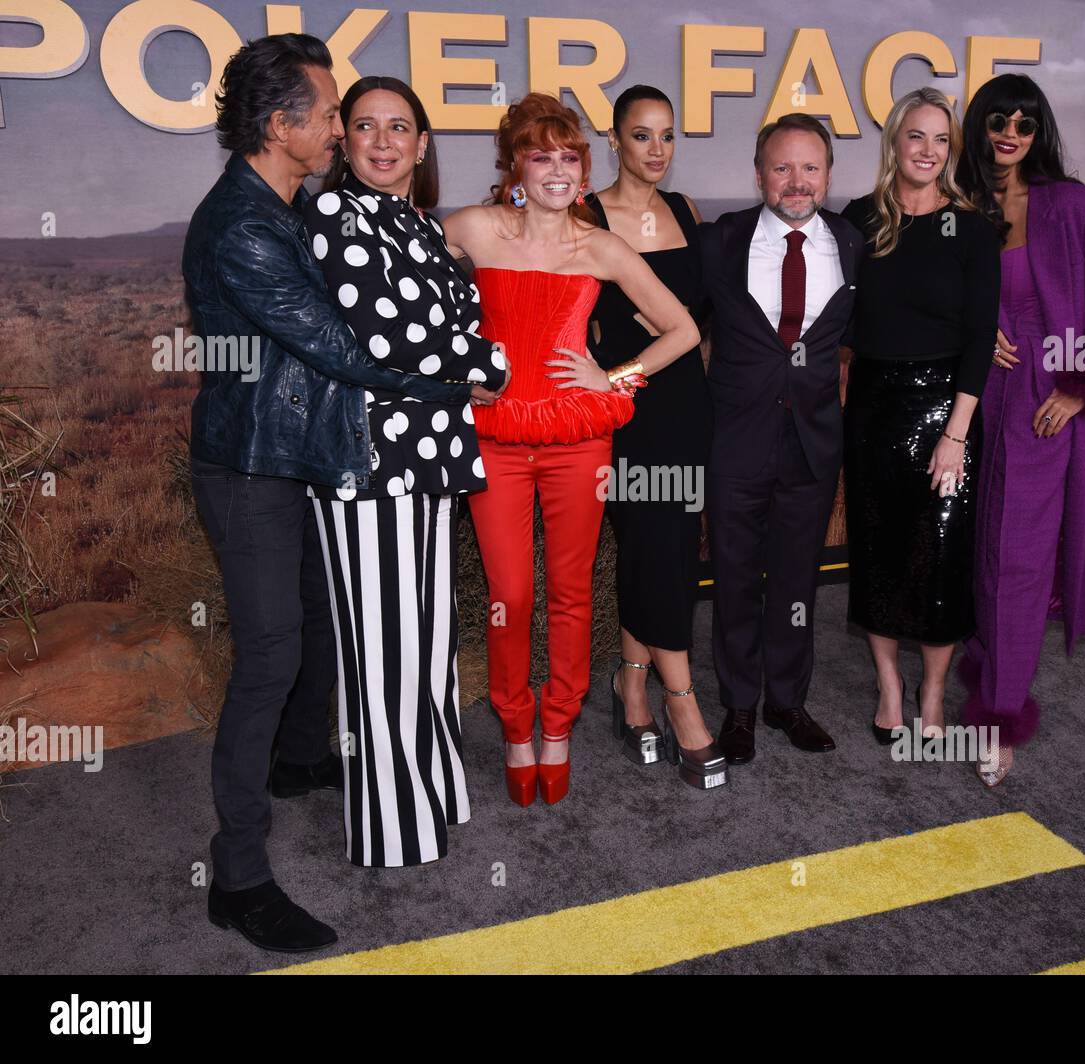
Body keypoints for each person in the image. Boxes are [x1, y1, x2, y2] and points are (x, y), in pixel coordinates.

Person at [185, 36, 483, 950]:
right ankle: (237, 874)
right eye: (328, 117)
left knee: (321, 627)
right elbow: (346, 350)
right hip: (254, 470)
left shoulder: (288, 205)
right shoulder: (245, 225)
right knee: (272, 655)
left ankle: (302, 762)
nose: (340, 131)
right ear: (282, 127)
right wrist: (474, 376)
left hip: (304, 458)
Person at [442, 93, 700, 806]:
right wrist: (454, 367)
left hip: (577, 438)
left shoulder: (600, 246)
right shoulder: (473, 228)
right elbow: (405, 295)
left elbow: (679, 331)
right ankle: (515, 725)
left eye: (570, 156)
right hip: (495, 435)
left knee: (570, 590)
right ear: (514, 165)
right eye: (540, 154)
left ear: (583, 168)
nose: (556, 168)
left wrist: (613, 376)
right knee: (510, 593)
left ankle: (559, 727)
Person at [302, 76, 508, 865]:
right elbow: (386, 339)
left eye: (399, 127)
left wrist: (467, 359)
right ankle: (391, 832)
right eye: (365, 126)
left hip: (428, 457)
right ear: (343, 142)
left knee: (426, 647)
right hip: (368, 464)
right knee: (382, 655)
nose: (384, 141)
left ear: (422, 145)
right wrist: (489, 360)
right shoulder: (332, 214)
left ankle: (434, 792)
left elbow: (435, 326)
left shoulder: (417, 223)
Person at [954, 73, 1085, 786]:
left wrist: (1078, 391)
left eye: (1025, 124)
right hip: (966, 394)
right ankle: (981, 661)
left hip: (1042, 402)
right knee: (970, 543)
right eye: (999, 119)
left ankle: (998, 715)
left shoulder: (1078, 206)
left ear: (1039, 131)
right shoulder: (958, 203)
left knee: (1018, 555)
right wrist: (971, 332)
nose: (1011, 134)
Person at [701, 113, 864, 765]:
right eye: (782, 167)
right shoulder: (722, 241)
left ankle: (787, 702)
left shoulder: (852, 243)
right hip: (735, 440)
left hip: (813, 444)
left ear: (827, 173)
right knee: (736, 578)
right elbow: (675, 320)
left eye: (810, 167)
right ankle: (739, 705)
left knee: (798, 579)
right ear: (760, 172)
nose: (797, 181)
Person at [840, 88, 1000, 751]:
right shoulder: (856, 221)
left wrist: (956, 434)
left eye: (941, 141)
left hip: (947, 407)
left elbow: (980, 337)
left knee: (940, 555)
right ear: (894, 143)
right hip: (873, 405)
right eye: (916, 137)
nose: (928, 151)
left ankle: (933, 690)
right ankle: (888, 686)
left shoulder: (972, 228)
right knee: (877, 551)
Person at [585, 85, 724, 790]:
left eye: (667, 136)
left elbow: (696, 319)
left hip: (685, 410)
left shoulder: (687, 212)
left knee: (668, 548)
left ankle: (631, 681)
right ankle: (683, 700)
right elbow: (571, 324)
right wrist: (612, 372)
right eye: (642, 136)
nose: (657, 150)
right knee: (653, 548)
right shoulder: (586, 215)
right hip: (626, 414)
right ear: (613, 140)